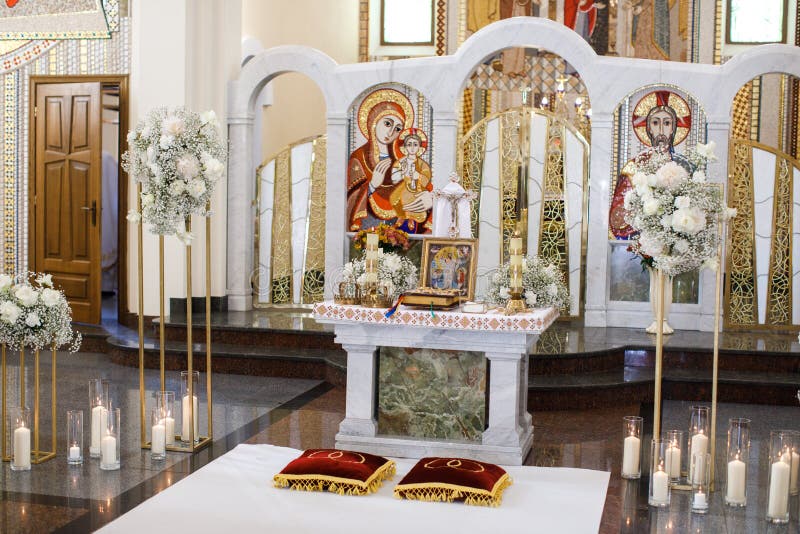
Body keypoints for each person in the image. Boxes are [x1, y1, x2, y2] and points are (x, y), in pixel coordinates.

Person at [609, 92, 691, 238]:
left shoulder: (685, 166)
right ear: (648, 128)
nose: (661, 130)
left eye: (667, 123)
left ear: (673, 128)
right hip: (642, 240)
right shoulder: (634, 166)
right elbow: (617, 219)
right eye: (655, 123)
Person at [347, 89, 424, 232]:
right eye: (387, 124)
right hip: (367, 227)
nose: (390, 132)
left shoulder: (403, 160)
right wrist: (372, 186)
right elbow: (350, 198)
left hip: (398, 229)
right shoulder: (359, 157)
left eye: (397, 129)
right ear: (373, 121)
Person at [389, 128, 433, 234]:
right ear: (405, 147)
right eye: (409, 144)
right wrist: (403, 173)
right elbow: (394, 178)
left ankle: (411, 219)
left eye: (415, 144)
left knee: (414, 200)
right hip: (404, 187)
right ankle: (402, 217)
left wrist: (418, 176)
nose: (412, 147)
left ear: (419, 147)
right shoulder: (401, 162)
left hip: (417, 189)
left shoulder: (422, 164)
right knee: (395, 199)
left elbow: (426, 177)